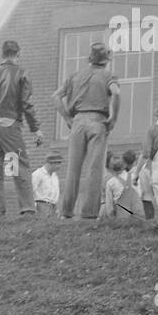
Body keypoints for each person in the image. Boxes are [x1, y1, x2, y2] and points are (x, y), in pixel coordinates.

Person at [52, 42, 120, 220]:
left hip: (77, 122)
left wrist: (67, 118)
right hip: (98, 121)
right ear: (105, 61)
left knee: (73, 168)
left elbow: (56, 96)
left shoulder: (75, 76)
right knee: (94, 168)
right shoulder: (107, 76)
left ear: (90, 59)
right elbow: (116, 93)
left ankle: (66, 211)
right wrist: (113, 118)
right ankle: (89, 213)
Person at [0, 40, 44, 218]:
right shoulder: (22, 74)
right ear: (18, 54)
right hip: (9, 126)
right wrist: (36, 129)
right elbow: (26, 104)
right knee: (17, 166)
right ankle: (27, 209)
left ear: (2, 55)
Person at [31, 152, 62, 218]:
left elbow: (56, 193)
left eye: (59, 163)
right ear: (49, 163)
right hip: (41, 206)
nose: (59, 166)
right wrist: (34, 208)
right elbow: (30, 191)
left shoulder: (55, 176)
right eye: (57, 163)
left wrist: (57, 208)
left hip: (53, 207)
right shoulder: (37, 174)